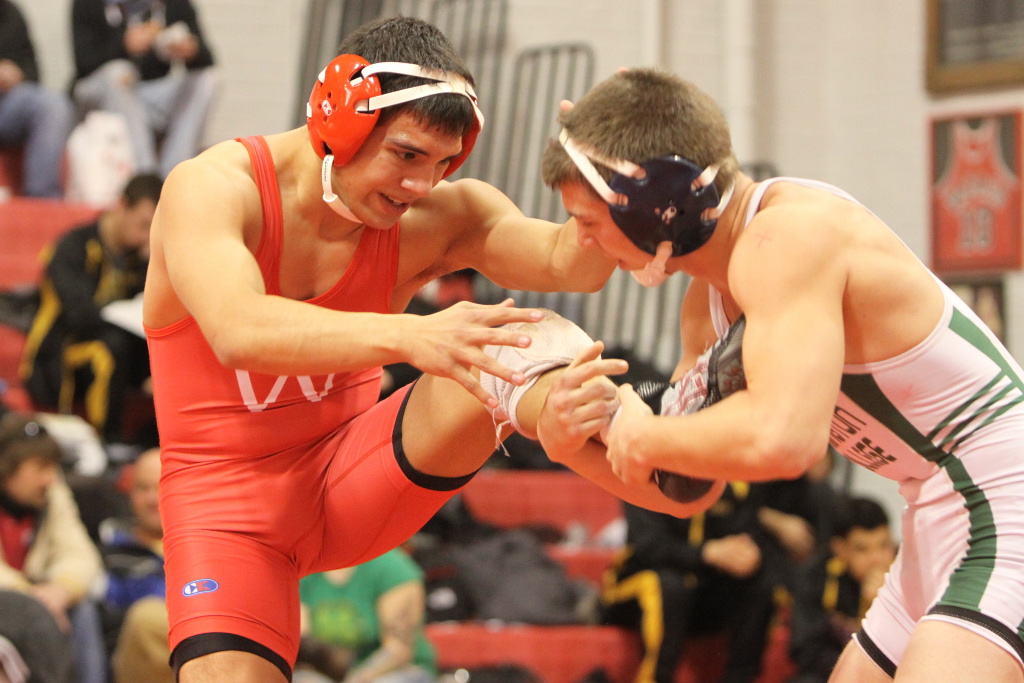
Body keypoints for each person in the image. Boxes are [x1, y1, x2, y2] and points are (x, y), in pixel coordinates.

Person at [143, 16, 700, 683]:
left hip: (351, 479)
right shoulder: (212, 188)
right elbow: (238, 331)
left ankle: (656, 453)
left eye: (442, 164)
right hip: (227, 511)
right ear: (338, 116)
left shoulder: (435, 217)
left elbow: (568, 264)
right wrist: (414, 333)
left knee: (515, 335)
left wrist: (610, 180)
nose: (419, 185)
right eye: (406, 155)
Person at [536, 67, 1024, 682]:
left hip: (1004, 496)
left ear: (655, 203)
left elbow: (786, 438)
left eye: (587, 220)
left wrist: (645, 433)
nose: (581, 241)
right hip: (936, 507)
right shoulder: (707, 303)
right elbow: (688, 488)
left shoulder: (787, 237)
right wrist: (577, 442)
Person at [21, 173, 162, 445]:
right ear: (122, 205)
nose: (146, 236)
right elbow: (79, 315)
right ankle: (108, 441)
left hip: (119, 352)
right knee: (109, 347)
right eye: (144, 224)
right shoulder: (73, 247)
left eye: (153, 229)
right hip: (57, 357)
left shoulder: (138, 258)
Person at [601, 483, 776, 683]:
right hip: (641, 584)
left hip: (704, 591)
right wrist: (706, 553)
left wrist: (744, 555)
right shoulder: (648, 477)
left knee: (761, 584)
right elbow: (649, 546)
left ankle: (739, 678)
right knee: (667, 586)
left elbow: (748, 534)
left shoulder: (733, 482)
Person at [0, 411, 105, 682]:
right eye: (41, 468)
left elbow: (80, 553)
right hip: (10, 600)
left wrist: (62, 590)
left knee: (83, 609)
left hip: (38, 596)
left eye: (52, 467)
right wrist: (33, 599)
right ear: (7, 469)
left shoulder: (52, 493)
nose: (49, 478)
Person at [71, 0, 217, 177]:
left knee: (206, 80)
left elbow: (207, 59)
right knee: (120, 73)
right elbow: (83, 63)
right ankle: (144, 176)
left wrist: (191, 51)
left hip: (148, 95)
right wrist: (124, 45)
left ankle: (175, 173)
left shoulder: (173, 4)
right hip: (102, 93)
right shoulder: (89, 4)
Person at [789, 496, 896, 683]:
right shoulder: (815, 578)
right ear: (840, 549)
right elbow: (806, 651)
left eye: (884, 545)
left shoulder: (908, 575)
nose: (877, 558)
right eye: (862, 549)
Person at [296, 548, 438, 683]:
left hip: (395, 670)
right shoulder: (307, 568)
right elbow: (303, 642)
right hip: (329, 671)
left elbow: (398, 649)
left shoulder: (391, 567)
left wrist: (354, 680)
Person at [98, 447, 170, 683]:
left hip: (191, 652)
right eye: (142, 488)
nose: (151, 499)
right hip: (133, 662)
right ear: (129, 493)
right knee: (145, 618)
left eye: (160, 487)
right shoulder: (111, 552)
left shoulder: (203, 549)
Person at [0, 0, 76, 198]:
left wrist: (18, 74)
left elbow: (34, 72)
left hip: (8, 105)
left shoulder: (9, 12)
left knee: (53, 105)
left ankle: (42, 200)